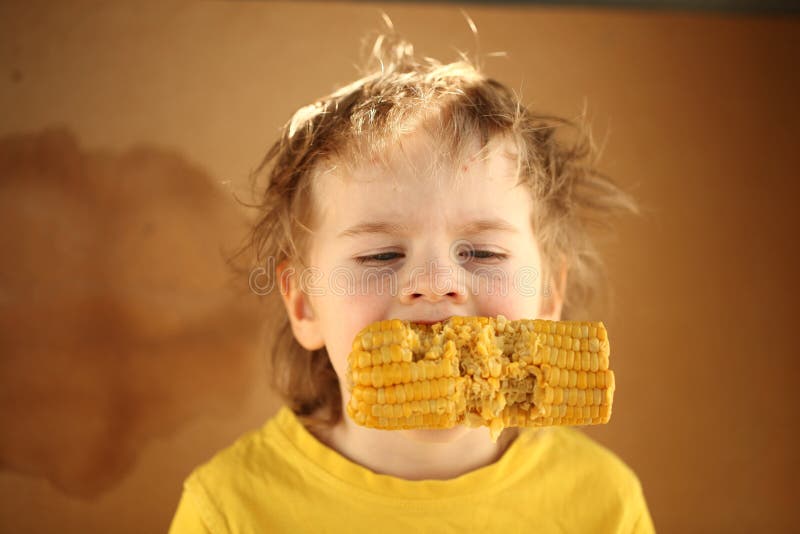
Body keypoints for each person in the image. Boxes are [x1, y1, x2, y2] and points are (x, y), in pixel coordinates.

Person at [168, 30, 655, 533]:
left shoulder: (604, 504)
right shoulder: (227, 510)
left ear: (549, 293)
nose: (436, 282)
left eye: (483, 251)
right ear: (305, 306)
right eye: (381, 254)